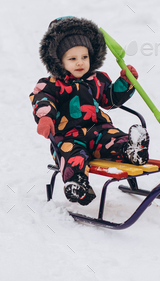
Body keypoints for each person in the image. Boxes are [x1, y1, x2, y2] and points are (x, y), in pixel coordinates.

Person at [30, 16, 149, 205]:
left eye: (84, 57)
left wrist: (125, 83)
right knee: (73, 157)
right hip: (68, 137)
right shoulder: (51, 85)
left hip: (99, 132)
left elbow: (109, 100)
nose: (80, 63)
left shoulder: (95, 79)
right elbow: (43, 100)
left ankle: (132, 149)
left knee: (114, 138)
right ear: (58, 61)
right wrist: (45, 118)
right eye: (72, 58)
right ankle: (78, 184)